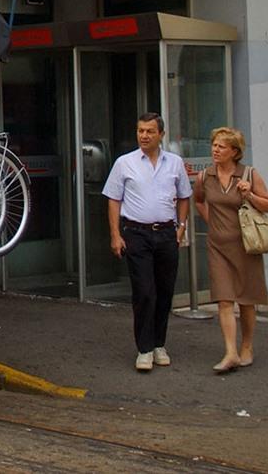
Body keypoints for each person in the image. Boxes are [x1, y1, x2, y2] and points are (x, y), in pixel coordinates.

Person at [103, 112, 192, 372]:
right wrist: (115, 234)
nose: (144, 135)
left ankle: (158, 344)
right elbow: (113, 199)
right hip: (136, 232)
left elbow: (185, 196)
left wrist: (181, 226)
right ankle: (144, 349)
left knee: (164, 291)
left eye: (150, 131)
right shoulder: (124, 163)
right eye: (140, 131)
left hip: (166, 233)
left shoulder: (174, 163)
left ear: (161, 134)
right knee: (144, 291)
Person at [193, 126, 268, 373]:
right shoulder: (205, 176)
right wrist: (212, 222)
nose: (215, 151)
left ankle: (246, 347)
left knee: (247, 300)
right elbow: (198, 200)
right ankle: (230, 352)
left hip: (245, 245)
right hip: (217, 245)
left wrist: (249, 195)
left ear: (234, 152)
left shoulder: (248, 174)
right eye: (214, 145)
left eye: (221, 147)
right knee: (224, 299)